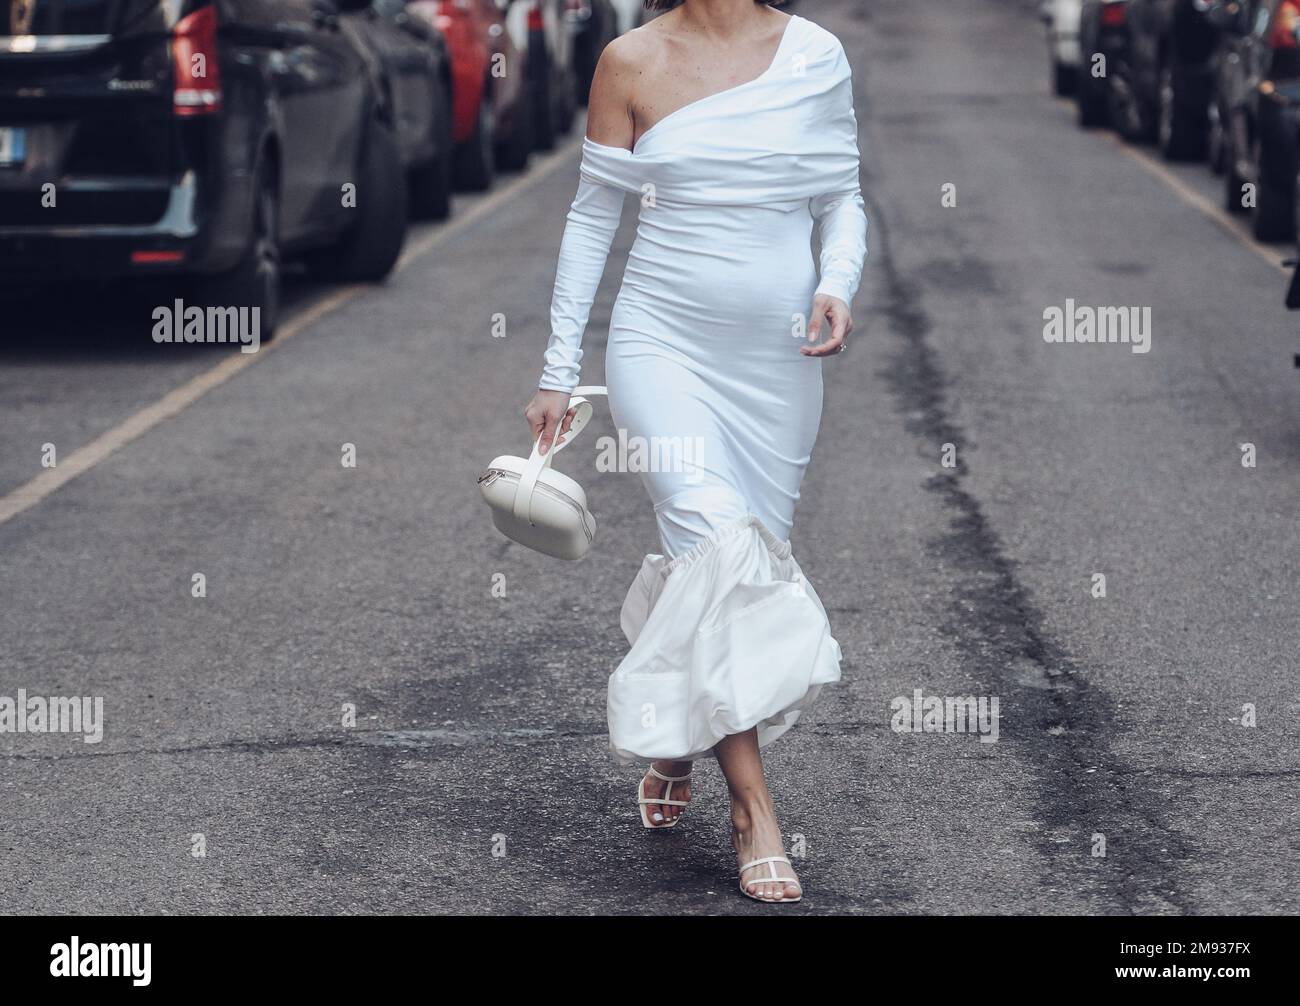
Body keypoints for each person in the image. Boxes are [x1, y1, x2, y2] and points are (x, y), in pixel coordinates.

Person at [524, 0, 867, 904]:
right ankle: (754, 810)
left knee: (735, 561)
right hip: (658, 345)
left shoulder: (814, 54)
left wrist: (837, 283)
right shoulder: (630, 61)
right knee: (719, 550)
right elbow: (594, 217)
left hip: (780, 357)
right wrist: (560, 370)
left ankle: (676, 742)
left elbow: (840, 197)